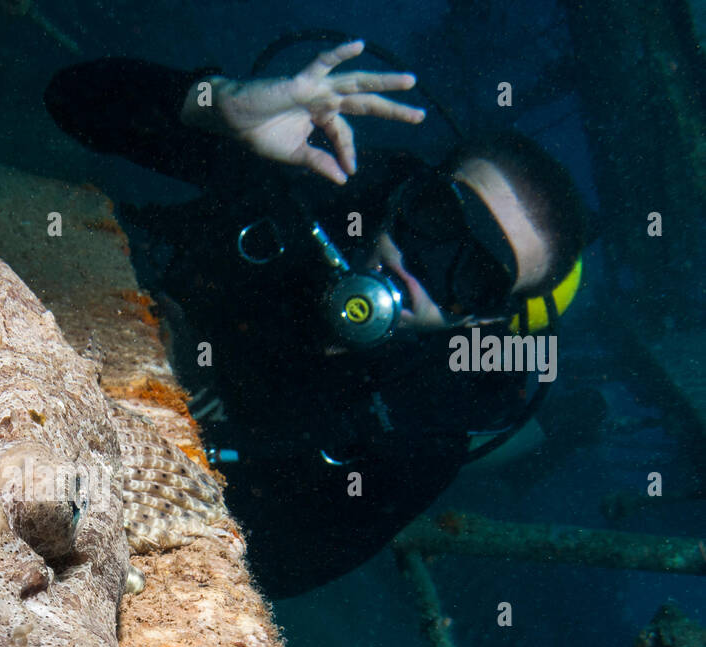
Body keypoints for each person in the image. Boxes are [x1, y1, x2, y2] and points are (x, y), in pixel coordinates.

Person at [45, 40, 590, 596]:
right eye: (437, 218)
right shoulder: (317, 179)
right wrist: (211, 105)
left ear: (479, 323)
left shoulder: (423, 431)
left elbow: (280, 570)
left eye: (472, 276)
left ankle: (581, 420)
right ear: (407, 194)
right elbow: (69, 98)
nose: (422, 269)